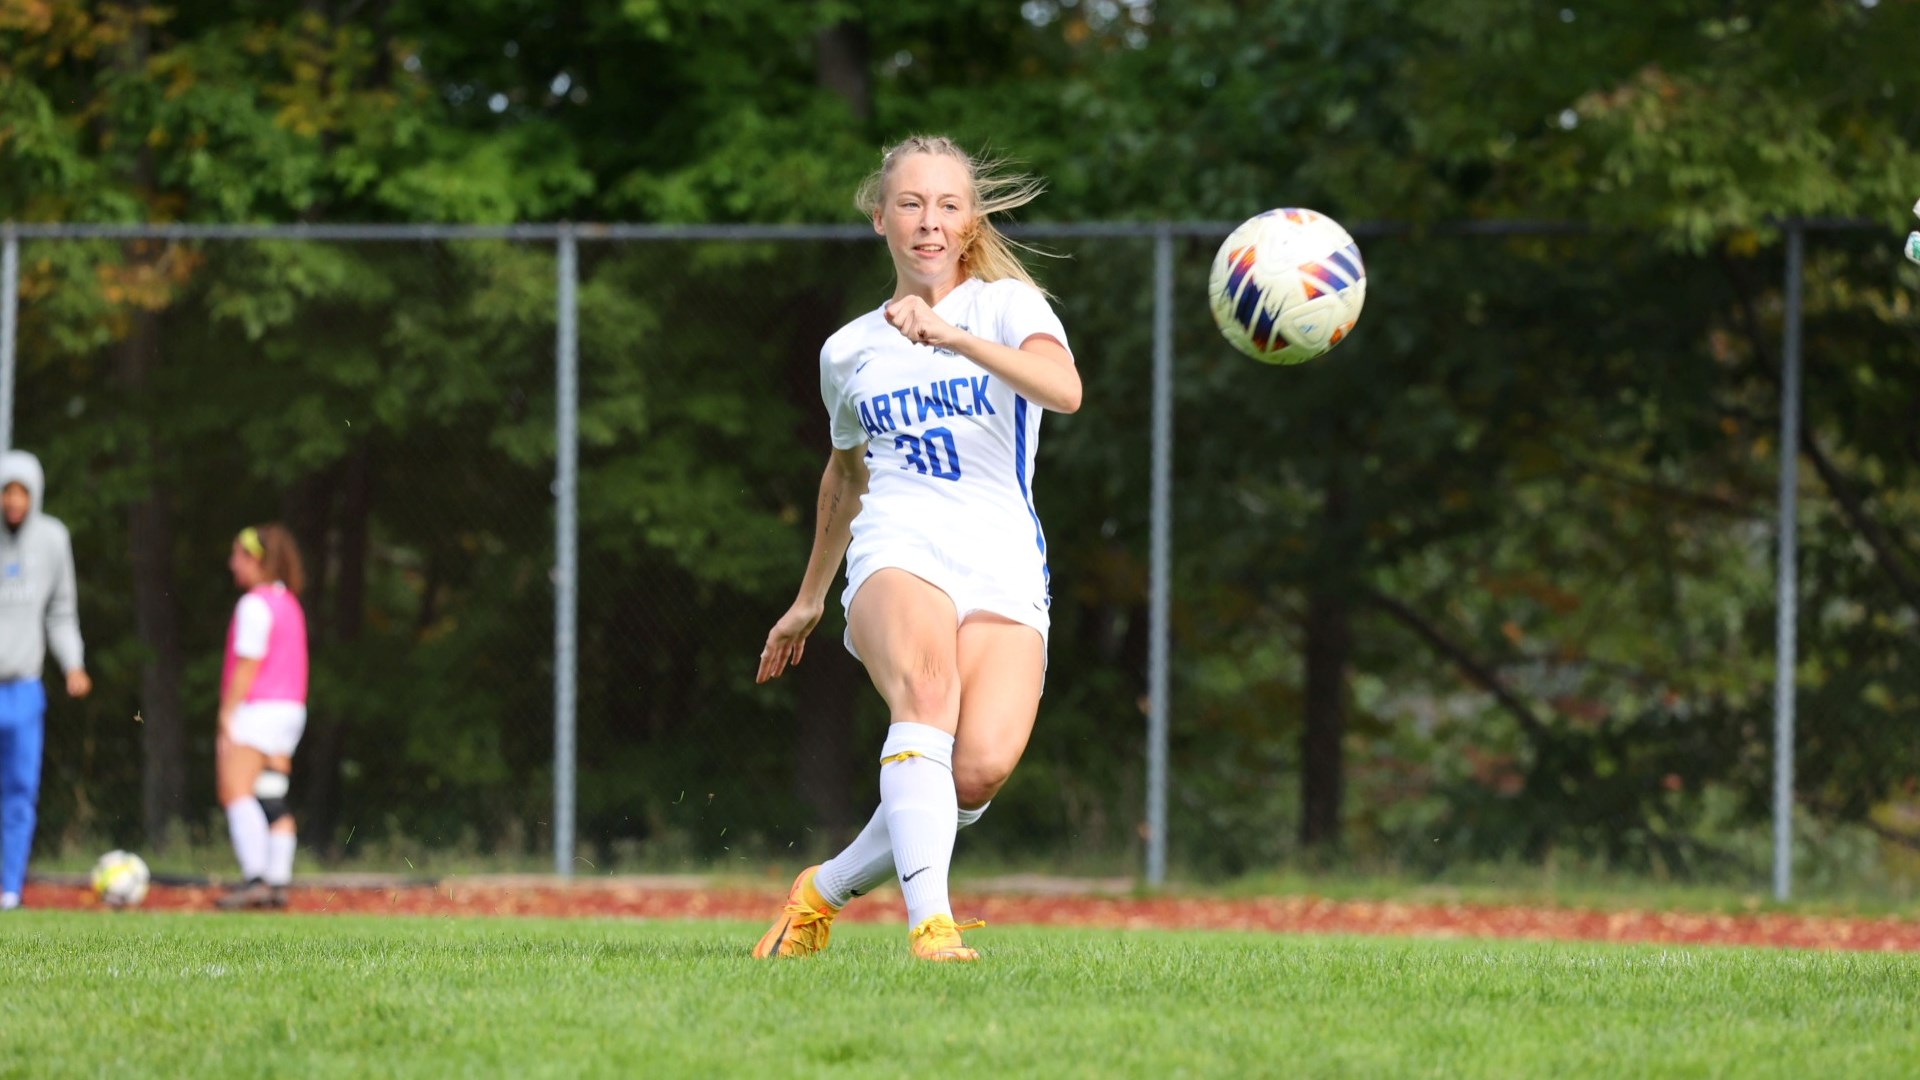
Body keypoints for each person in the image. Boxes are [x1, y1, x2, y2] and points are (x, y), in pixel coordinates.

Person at [752, 135, 1081, 962]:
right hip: (899, 543)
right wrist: (809, 597)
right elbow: (845, 475)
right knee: (926, 695)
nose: (928, 222)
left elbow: (1065, 392)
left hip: (1003, 557)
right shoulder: (849, 349)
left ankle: (820, 892)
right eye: (910, 203)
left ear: (970, 222)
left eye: (947, 205)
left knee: (976, 770)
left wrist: (951, 337)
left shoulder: (1011, 308)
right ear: (880, 218)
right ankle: (930, 927)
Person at [0, 450, 91, 911]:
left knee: (18, 791)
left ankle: (9, 889)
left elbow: (60, 612)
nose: (13, 501)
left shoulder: (53, 539)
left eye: (21, 492)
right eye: (6, 491)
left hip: (23, 690)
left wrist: (72, 663)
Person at [214, 524, 309, 911]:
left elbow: (247, 665)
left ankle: (255, 878)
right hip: (290, 710)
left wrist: (226, 713)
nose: (231, 563)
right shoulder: (289, 602)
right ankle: (278, 879)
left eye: (238, 555)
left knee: (234, 790)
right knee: (271, 794)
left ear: (255, 559)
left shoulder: (253, 604)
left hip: (257, 708)